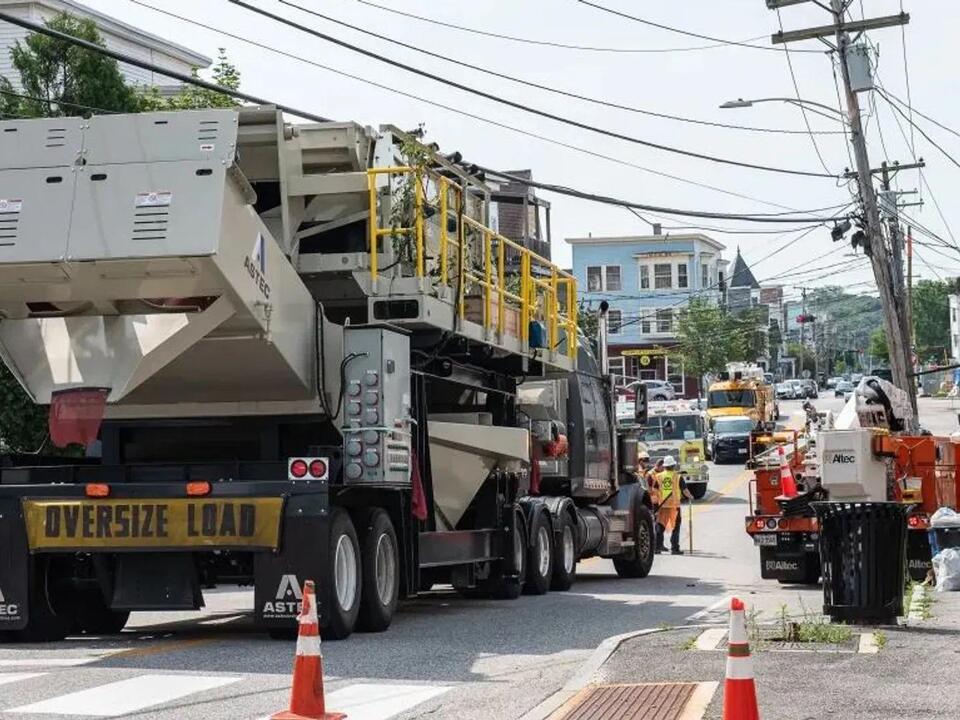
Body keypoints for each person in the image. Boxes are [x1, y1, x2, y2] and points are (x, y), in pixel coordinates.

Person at [655, 456, 694, 555]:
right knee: (675, 527)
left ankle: (657, 547)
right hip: (674, 506)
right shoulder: (677, 477)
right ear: (673, 465)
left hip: (662, 505)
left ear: (665, 466)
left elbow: (655, 490)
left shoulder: (658, 476)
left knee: (660, 525)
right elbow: (684, 490)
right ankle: (674, 548)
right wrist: (690, 496)